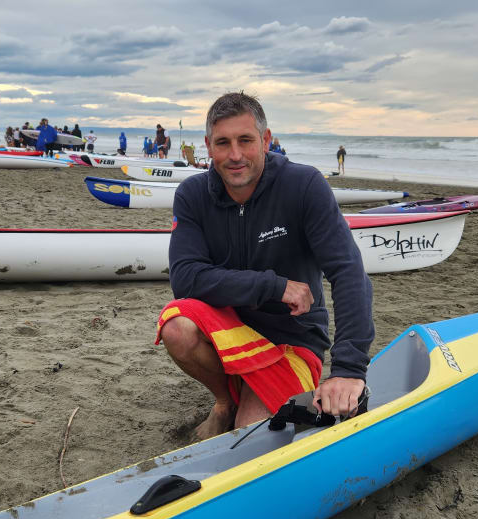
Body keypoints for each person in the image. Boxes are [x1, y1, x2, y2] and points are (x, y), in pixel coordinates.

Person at [157, 92, 374, 440]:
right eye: (223, 143)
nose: (235, 155)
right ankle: (224, 400)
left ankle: (251, 398)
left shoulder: (303, 185)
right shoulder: (192, 195)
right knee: (176, 326)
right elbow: (185, 278)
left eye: (246, 140)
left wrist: (348, 368)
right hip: (232, 332)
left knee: (249, 433)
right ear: (208, 147)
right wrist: (274, 286)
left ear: (266, 140)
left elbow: (348, 272)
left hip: (292, 338)